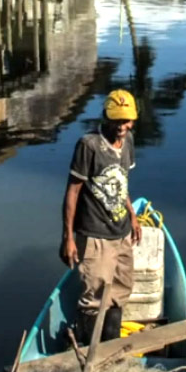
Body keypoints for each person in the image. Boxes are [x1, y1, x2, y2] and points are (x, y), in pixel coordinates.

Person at [60, 89, 142, 345]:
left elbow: (122, 183)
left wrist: (133, 215)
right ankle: (87, 349)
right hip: (95, 235)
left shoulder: (128, 142)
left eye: (127, 121)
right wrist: (68, 238)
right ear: (106, 117)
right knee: (93, 298)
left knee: (120, 291)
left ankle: (111, 344)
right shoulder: (89, 146)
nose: (122, 127)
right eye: (117, 120)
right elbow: (72, 192)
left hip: (121, 232)